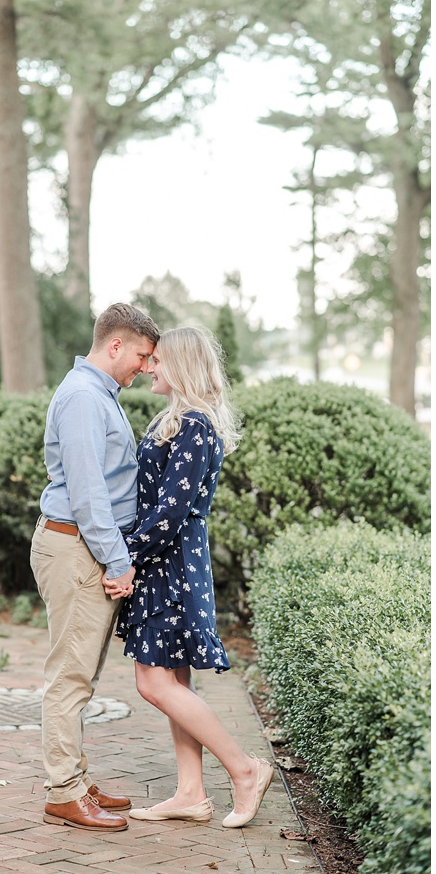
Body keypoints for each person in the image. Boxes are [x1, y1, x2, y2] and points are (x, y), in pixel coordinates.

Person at [112, 327, 274, 828]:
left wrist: (125, 559)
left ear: (179, 365)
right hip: (170, 560)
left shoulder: (195, 426)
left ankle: (245, 770)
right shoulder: (174, 420)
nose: (149, 367)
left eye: (157, 360)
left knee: (154, 682)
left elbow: (171, 511)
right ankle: (190, 793)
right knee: (174, 677)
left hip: (172, 564)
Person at [30, 303, 160, 832]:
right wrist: (119, 560)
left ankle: (76, 779)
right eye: (143, 356)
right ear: (115, 345)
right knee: (70, 675)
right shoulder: (85, 398)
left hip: (82, 547)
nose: (147, 368)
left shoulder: (96, 394)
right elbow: (88, 495)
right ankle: (63, 790)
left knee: (80, 672)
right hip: (78, 549)